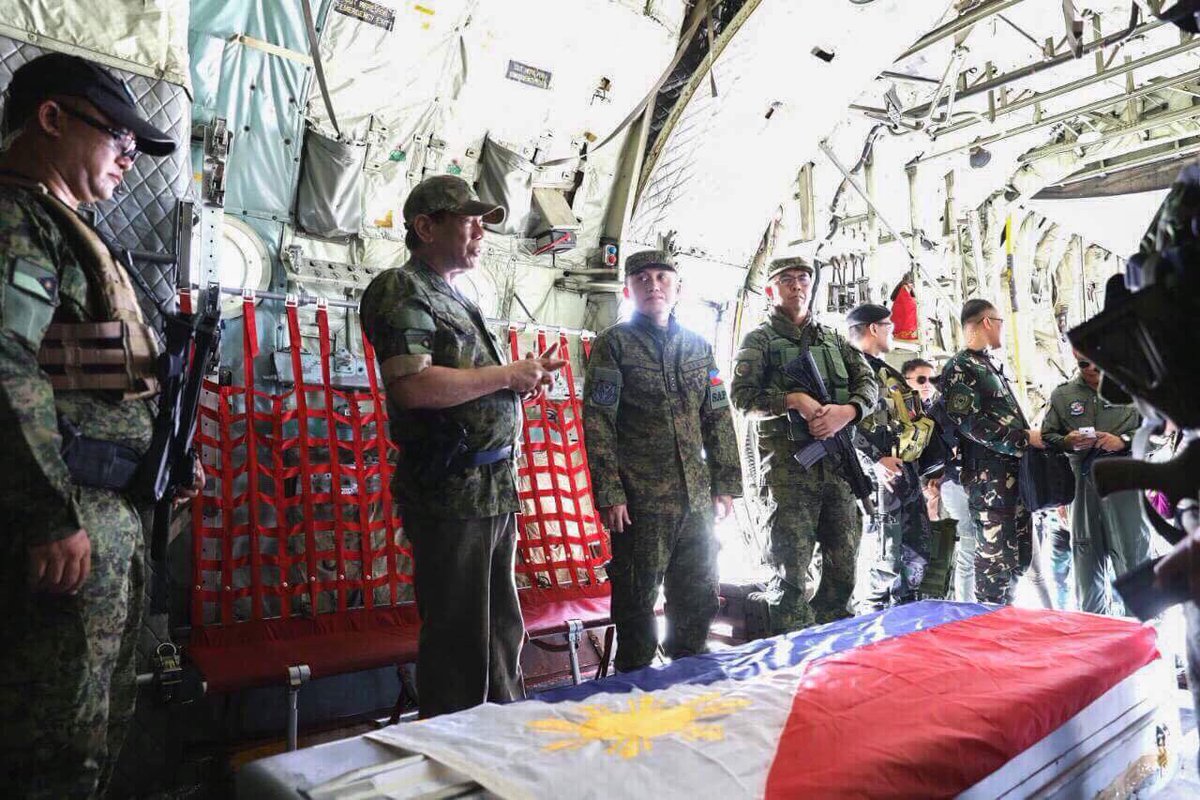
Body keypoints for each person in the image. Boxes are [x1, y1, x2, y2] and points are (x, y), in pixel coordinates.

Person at [0, 53, 201, 798]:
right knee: (51, 752)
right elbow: (6, 368)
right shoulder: (17, 221)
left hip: (107, 522)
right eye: (115, 134)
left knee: (95, 735)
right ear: (51, 119)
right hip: (63, 529)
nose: (127, 155)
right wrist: (50, 517)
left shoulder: (69, 228)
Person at [359, 174, 566, 717]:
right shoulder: (401, 289)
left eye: (483, 224)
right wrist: (505, 376)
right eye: (469, 222)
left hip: (492, 488)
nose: (480, 234)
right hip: (452, 490)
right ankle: (452, 753)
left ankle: (500, 735)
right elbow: (414, 386)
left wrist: (523, 377)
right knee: (459, 640)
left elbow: (478, 381)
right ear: (425, 227)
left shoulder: (452, 295)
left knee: (501, 631)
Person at [582, 250, 742, 671]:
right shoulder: (612, 345)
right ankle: (632, 690)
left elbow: (718, 415)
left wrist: (725, 482)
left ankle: (688, 681)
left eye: (662, 277)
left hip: (697, 500)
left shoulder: (698, 346)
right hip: (640, 503)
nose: (653, 285)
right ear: (627, 290)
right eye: (642, 279)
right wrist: (610, 492)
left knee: (698, 596)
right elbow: (599, 423)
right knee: (635, 601)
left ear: (678, 289)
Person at [730, 257, 878, 633]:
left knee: (844, 563)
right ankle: (791, 652)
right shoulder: (759, 341)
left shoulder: (833, 340)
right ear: (770, 290)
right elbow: (742, 398)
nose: (797, 286)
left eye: (803, 279)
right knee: (790, 572)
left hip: (838, 470)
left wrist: (847, 411)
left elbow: (868, 384)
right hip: (788, 474)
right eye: (787, 280)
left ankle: (835, 639)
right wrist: (792, 401)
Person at [940, 299, 1045, 605]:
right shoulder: (960, 367)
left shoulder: (987, 364)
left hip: (1014, 480)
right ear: (987, 322)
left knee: (1017, 559)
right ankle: (988, 630)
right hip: (990, 485)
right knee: (994, 565)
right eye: (999, 322)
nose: (1002, 328)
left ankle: (1006, 626)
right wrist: (1024, 439)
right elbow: (969, 422)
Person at [847, 304, 941, 612]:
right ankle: (874, 628)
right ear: (873, 329)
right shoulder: (849, 369)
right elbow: (840, 425)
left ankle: (906, 626)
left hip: (906, 475)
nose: (894, 329)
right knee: (884, 560)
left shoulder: (886, 371)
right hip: (879, 480)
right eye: (888, 325)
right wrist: (873, 460)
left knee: (914, 554)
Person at [1042, 351, 1149, 614]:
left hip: (1125, 482)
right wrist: (1067, 441)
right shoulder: (1062, 395)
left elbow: (1159, 432)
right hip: (1082, 486)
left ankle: (1143, 630)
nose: (1091, 368)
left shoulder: (1135, 390)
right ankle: (1094, 628)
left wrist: (1123, 440)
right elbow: (1047, 436)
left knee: (1133, 554)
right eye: (1083, 363)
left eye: (1096, 362)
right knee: (1086, 559)